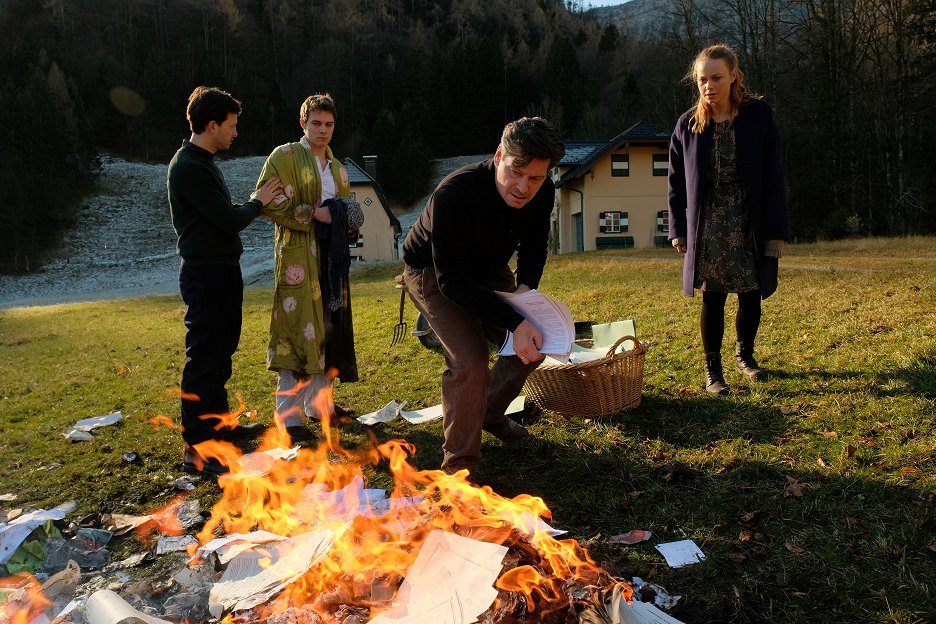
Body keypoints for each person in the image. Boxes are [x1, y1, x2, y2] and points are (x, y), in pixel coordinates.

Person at [402, 117, 565, 479]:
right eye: (516, 172)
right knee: (471, 361)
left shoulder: (544, 191)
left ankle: (490, 413)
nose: (523, 187)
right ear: (498, 156)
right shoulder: (454, 194)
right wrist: (514, 321)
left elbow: (535, 246)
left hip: (489, 267)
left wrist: (526, 294)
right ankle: (459, 467)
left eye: (535, 178)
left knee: (540, 338)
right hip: (433, 270)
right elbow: (453, 283)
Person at [168, 86, 283, 474]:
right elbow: (228, 219)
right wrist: (258, 200)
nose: (235, 133)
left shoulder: (204, 162)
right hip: (205, 274)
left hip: (222, 270)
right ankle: (198, 448)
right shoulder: (188, 167)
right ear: (212, 124)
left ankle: (220, 429)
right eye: (231, 126)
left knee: (221, 351)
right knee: (203, 356)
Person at [668, 44, 789, 395]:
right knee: (714, 296)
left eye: (717, 78)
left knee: (751, 293)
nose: (709, 86)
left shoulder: (759, 116)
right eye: (703, 80)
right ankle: (713, 371)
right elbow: (675, 182)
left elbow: (774, 175)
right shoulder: (688, 124)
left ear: (733, 75)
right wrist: (677, 229)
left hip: (750, 218)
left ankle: (745, 356)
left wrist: (775, 231)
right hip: (708, 223)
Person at [255, 93, 363, 442]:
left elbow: (349, 212)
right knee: (297, 329)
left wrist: (346, 220)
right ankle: (289, 416)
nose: (323, 130)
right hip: (298, 258)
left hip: (332, 261)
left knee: (330, 328)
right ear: (303, 124)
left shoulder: (339, 169)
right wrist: (317, 213)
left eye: (329, 124)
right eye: (316, 123)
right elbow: (267, 201)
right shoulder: (283, 157)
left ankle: (321, 405)